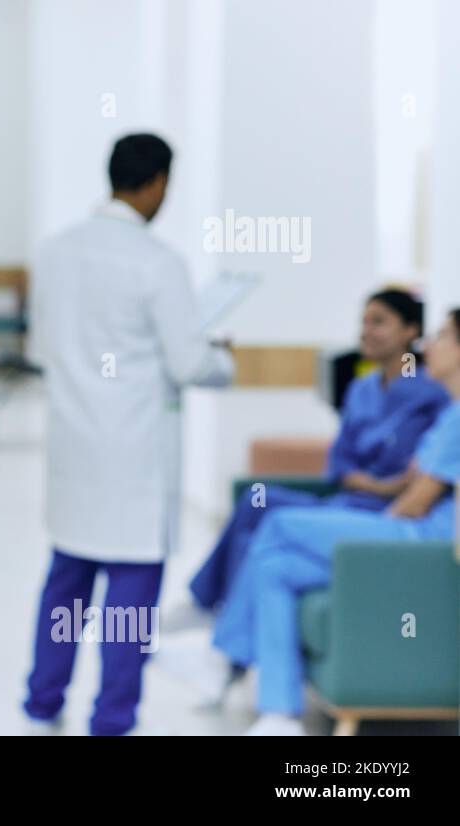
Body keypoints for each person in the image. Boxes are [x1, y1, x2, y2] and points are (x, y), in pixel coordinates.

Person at [23, 133, 235, 736]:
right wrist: (221, 358)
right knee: (130, 594)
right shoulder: (157, 262)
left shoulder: (55, 251)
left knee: (66, 581)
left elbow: (43, 346)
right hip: (136, 453)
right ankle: (112, 719)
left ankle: (42, 702)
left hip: (74, 446)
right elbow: (189, 363)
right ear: (158, 184)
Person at [201, 308, 460, 736]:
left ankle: (222, 659)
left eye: (444, 336)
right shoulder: (447, 413)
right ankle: (280, 714)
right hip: (403, 527)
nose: (430, 346)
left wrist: (373, 536)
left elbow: (415, 503)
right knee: (274, 568)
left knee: (279, 524)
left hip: (418, 540)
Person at [184, 289, 449, 613]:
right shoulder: (361, 388)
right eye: (363, 321)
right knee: (257, 498)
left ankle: (220, 613)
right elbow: (339, 460)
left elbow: (423, 474)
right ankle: (209, 606)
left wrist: (381, 486)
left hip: (380, 514)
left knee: (274, 530)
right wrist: (375, 484)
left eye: (378, 322)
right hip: (345, 500)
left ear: (410, 331)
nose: (365, 331)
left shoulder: (434, 393)